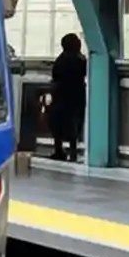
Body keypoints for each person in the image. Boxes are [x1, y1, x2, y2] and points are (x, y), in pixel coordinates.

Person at [49, 33, 87, 162]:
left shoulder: (61, 60)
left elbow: (55, 77)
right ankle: (73, 151)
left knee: (58, 124)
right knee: (74, 124)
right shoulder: (81, 60)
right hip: (77, 96)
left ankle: (58, 149)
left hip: (61, 96)